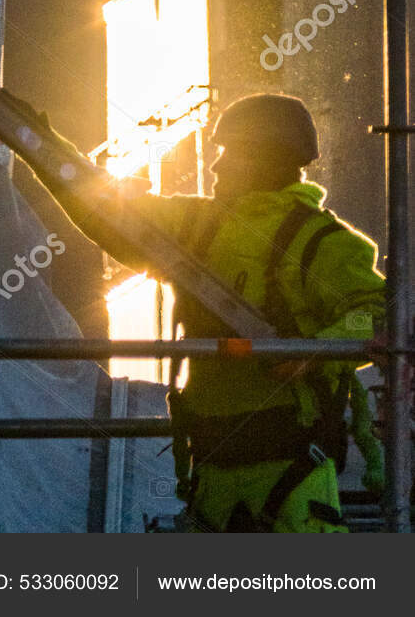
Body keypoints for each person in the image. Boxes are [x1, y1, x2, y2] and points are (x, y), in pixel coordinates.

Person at [42, 92, 385, 532]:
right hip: (211, 470)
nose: (215, 166)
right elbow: (106, 212)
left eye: (230, 154)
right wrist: (47, 150)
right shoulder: (198, 223)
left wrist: (314, 350)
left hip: (291, 473)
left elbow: (378, 314)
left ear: (267, 159)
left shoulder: (324, 244)